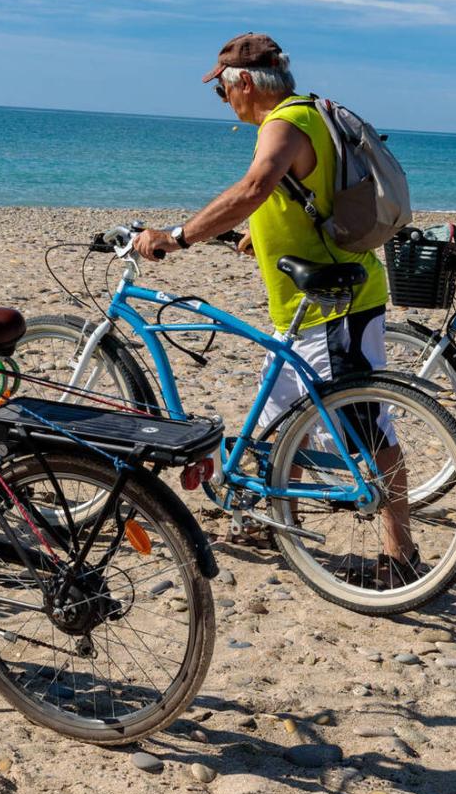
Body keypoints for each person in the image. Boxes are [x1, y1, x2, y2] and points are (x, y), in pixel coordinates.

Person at [133, 32, 422, 584]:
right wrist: (260, 236)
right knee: (273, 422)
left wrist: (179, 235)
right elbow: (298, 192)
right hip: (308, 305)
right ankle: (268, 518)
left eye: (222, 91)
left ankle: (401, 556)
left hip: (333, 304)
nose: (225, 101)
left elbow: (256, 184)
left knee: (368, 428)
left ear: (242, 81)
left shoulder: (285, 121)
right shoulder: (309, 112)